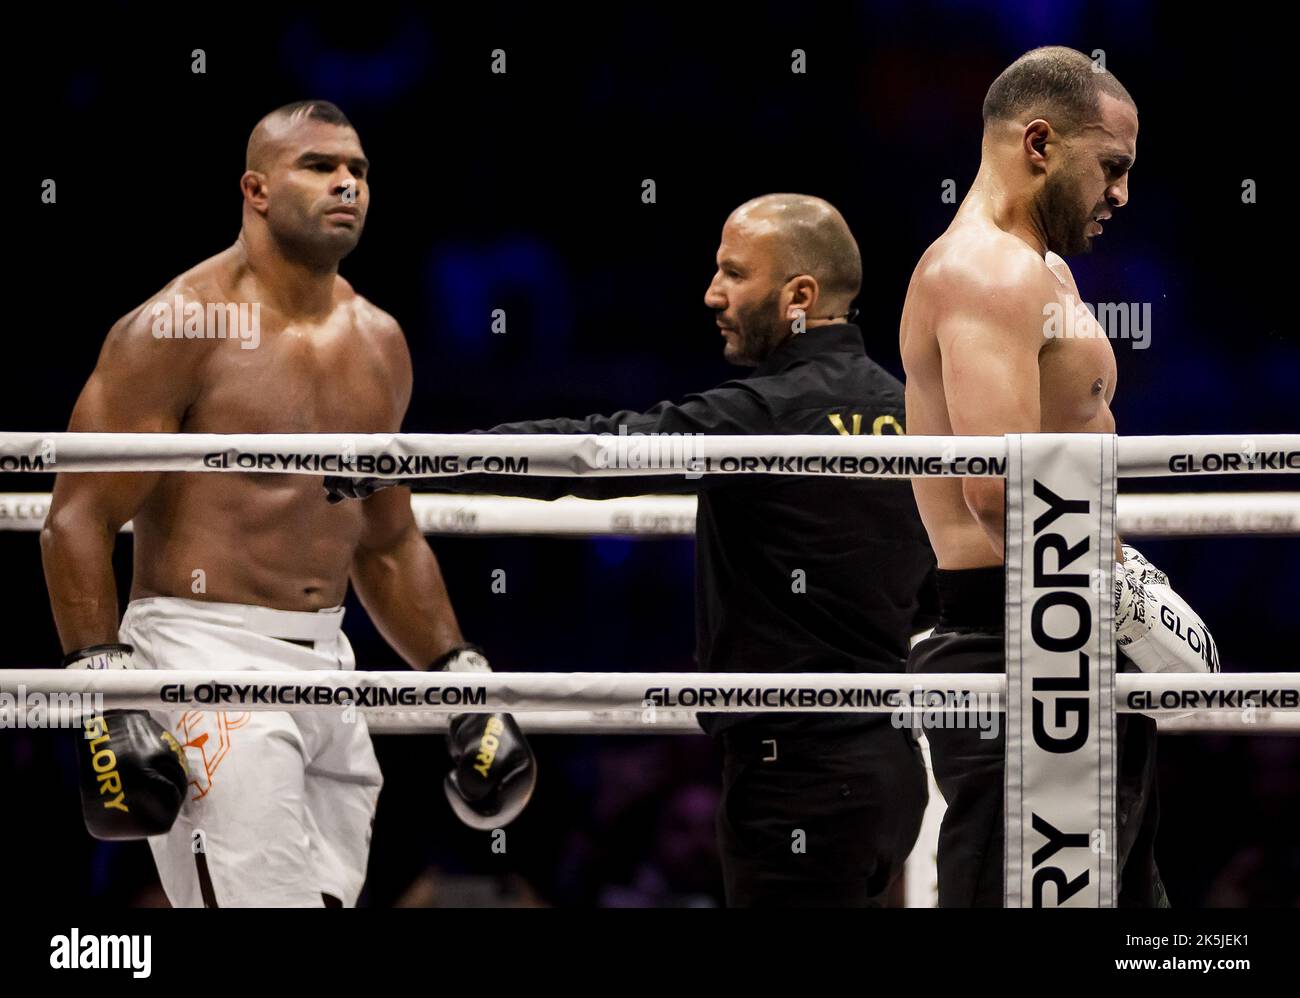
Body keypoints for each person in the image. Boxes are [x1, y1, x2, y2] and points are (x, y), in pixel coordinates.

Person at [329, 194, 937, 907]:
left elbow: (591, 454)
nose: (713, 295)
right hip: (892, 775)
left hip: (792, 775)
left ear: (800, 296)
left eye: (734, 275)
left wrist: (411, 458)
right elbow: (930, 587)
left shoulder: (763, 416)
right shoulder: (911, 415)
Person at [40, 100, 535, 908]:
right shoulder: (179, 324)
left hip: (330, 667)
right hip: (204, 655)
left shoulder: (379, 342)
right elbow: (75, 517)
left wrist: (461, 684)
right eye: (321, 166)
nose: (348, 183)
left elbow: (385, 542)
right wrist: (109, 699)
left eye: (360, 171)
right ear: (256, 189)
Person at [900, 46, 1218, 907]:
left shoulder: (1044, 269)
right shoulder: (984, 271)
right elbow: (1001, 490)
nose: (1122, 194)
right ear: (1039, 142)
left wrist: (1118, 587)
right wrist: (1118, 592)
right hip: (1018, 630)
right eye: (1111, 168)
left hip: (1064, 617)